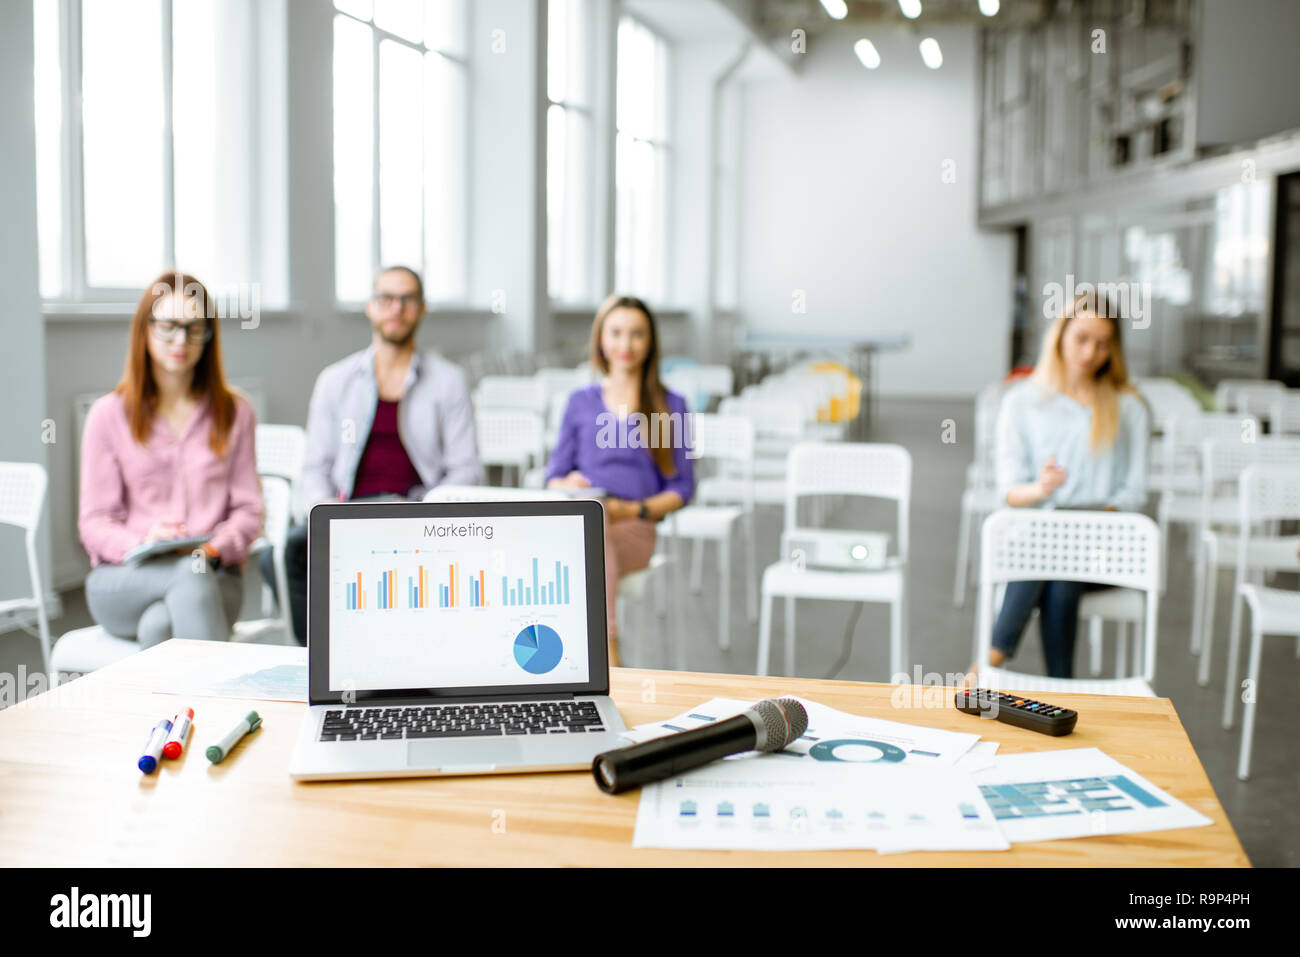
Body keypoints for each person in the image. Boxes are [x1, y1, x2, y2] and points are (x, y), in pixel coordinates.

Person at [268, 265, 482, 643]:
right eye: (386, 299)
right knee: (295, 547)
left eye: (407, 299)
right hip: (349, 512)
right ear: (370, 307)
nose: (396, 309)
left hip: (419, 512)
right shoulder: (336, 381)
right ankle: (314, 660)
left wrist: (424, 508)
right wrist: (322, 507)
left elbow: (466, 469)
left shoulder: (448, 381)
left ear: (422, 308)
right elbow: (315, 467)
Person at [970, 292, 1150, 680]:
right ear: (1060, 336)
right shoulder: (1021, 402)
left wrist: (1091, 520)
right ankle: (1061, 685)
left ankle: (989, 662)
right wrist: (1042, 488)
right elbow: (1010, 492)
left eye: (1103, 344)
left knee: (1060, 555)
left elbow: (1134, 492)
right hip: (1041, 543)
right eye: (1082, 338)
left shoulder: (1130, 407)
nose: (1090, 353)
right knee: (1060, 568)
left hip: (1105, 549)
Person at [79, 271, 264, 649]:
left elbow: (250, 512)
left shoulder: (235, 412)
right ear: (144, 329)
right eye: (168, 326)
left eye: (195, 328)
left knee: (159, 627)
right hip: (126, 577)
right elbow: (94, 523)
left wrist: (210, 550)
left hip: (214, 576)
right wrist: (143, 540)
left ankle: (164, 712)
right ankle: (227, 706)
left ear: (208, 335)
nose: (181, 340)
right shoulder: (107, 415)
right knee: (186, 578)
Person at [545, 295, 694, 667]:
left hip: (634, 525)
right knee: (590, 522)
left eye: (636, 335)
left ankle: (604, 654)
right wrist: (569, 484)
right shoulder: (579, 402)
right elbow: (552, 477)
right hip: (586, 520)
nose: (625, 345)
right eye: (616, 333)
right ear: (601, 340)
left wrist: (633, 508)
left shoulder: (669, 405)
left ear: (650, 343)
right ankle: (605, 657)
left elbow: (683, 488)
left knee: (591, 541)